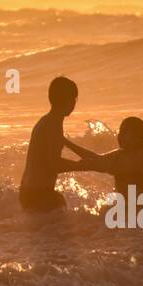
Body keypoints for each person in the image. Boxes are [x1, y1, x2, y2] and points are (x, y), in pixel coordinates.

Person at [19, 76, 98, 212]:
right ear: (69, 100)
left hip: (28, 191)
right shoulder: (53, 124)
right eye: (74, 99)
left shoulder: (46, 121)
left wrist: (93, 160)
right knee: (63, 223)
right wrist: (80, 166)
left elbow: (60, 146)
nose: (75, 103)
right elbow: (54, 164)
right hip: (39, 194)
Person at [75, 116, 143, 200]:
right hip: (126, 208)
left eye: (125, 132)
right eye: (120, 132)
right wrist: (67, 144)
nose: (120, 136)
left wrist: (76, 165)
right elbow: (97, 159)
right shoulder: (121, 153)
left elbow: (103, 165)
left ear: (137, 136)